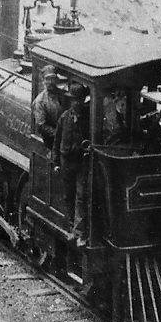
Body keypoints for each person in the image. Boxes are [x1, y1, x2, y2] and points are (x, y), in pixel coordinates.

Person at [56, 83, 91, 245]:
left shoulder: (88, 119)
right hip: (66, 161)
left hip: (81, 162)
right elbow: (57, 140)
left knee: (81, 195)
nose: (76, 103)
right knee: (67, 195)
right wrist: (56, 161)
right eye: (74, 100)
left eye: (79, 100)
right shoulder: (64, 117)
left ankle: (79, 231)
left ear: (83, 101)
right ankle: (71, 227)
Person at [31, 65, 63, 163]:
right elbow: (41, 126)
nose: (50, 82)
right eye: (47, 79)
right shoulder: (40, 101)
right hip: (51, 142)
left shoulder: (62, 95)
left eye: (52, 79)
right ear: (43, 81)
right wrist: (59, 135)